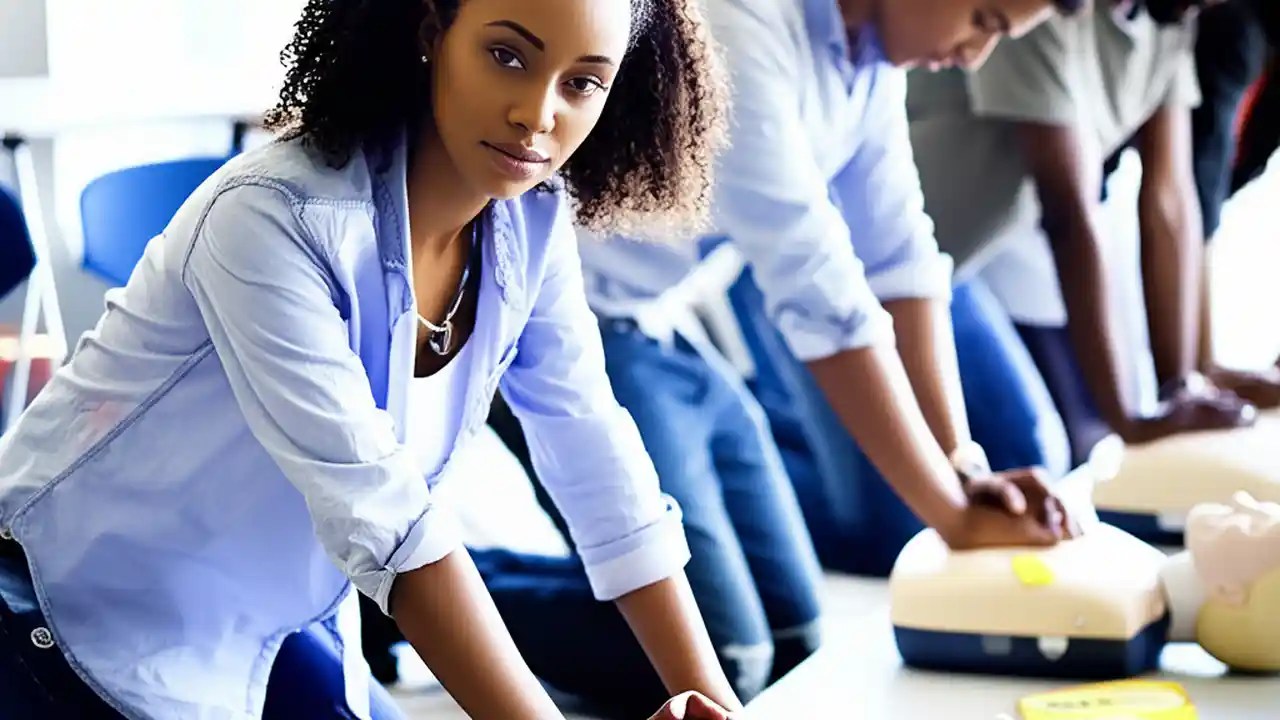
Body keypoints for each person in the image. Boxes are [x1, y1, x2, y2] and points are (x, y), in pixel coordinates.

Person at [0, 0, 743, 718]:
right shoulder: (271, 217)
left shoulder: (530, 222)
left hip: (266, 615)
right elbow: (390, 523)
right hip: (70, 612)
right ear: (432, 31)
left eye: (581, 82)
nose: (538, 115)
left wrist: (714, 702)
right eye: (506, 56)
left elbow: (593, 451)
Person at [478, 4, 1089, 708]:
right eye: (983, 19)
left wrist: (961, 468)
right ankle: (409, 593)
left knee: (797, 639)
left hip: (659, 324)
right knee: (732, 658)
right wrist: (949, 517)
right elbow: (819, 292)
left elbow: (901, 261)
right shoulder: (747, 29)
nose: (975, 54)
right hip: (561, 329)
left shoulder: (870, 65)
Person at [907, 0, 1271, 475]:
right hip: (853, 275)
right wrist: (1129, 419)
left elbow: (1170, 198)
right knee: (881, 513)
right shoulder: (1042, 11)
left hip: (940, 276)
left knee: (1030, 450)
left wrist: (1181, 386)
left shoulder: (1168, 21)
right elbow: (1071, 213)